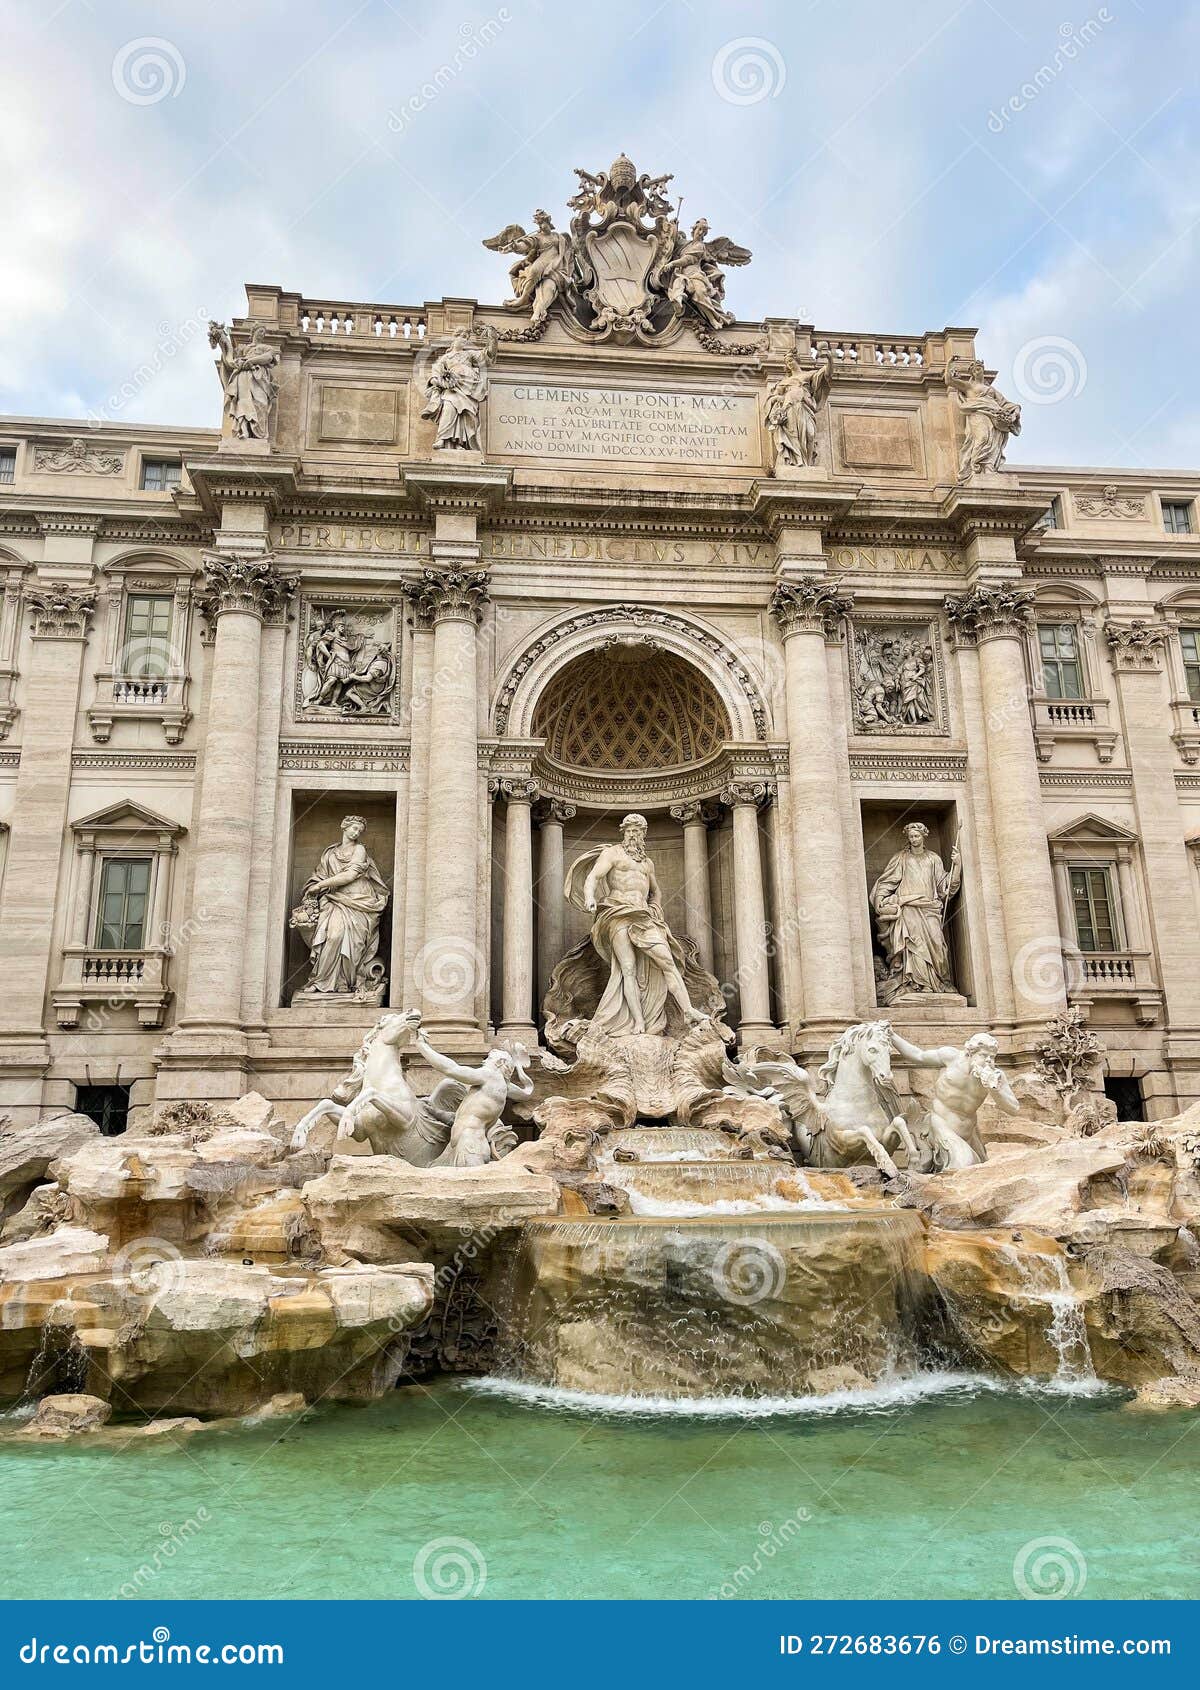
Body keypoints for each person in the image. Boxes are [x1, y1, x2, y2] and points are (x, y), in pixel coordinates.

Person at [565, 813, 706, 1037]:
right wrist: (589, 897)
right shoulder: (612, 853)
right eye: (629, 830)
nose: (633, 835)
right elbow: (593, 877)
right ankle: (638, 1022)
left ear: (643, 835)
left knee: (667, 960)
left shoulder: (647, 864)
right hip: (617, 913)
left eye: (637, 831)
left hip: (643, 916)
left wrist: (656, 907)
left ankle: (688, 1011)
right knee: (627, 968)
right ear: (624, 832)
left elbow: (656, 891)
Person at [870, 821, 960, 1001]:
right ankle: (917, 985)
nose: (913, 839)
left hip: (929, 909)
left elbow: (945, 887)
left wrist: (957, 866)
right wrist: (880, 899)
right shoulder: (901, 858)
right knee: (914, 946)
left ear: (923, 836)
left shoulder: (933, 858)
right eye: (911, 836)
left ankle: (938, 981)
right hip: (908, 909)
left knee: (937, 943)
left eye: (916, 836)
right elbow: (887, 882)